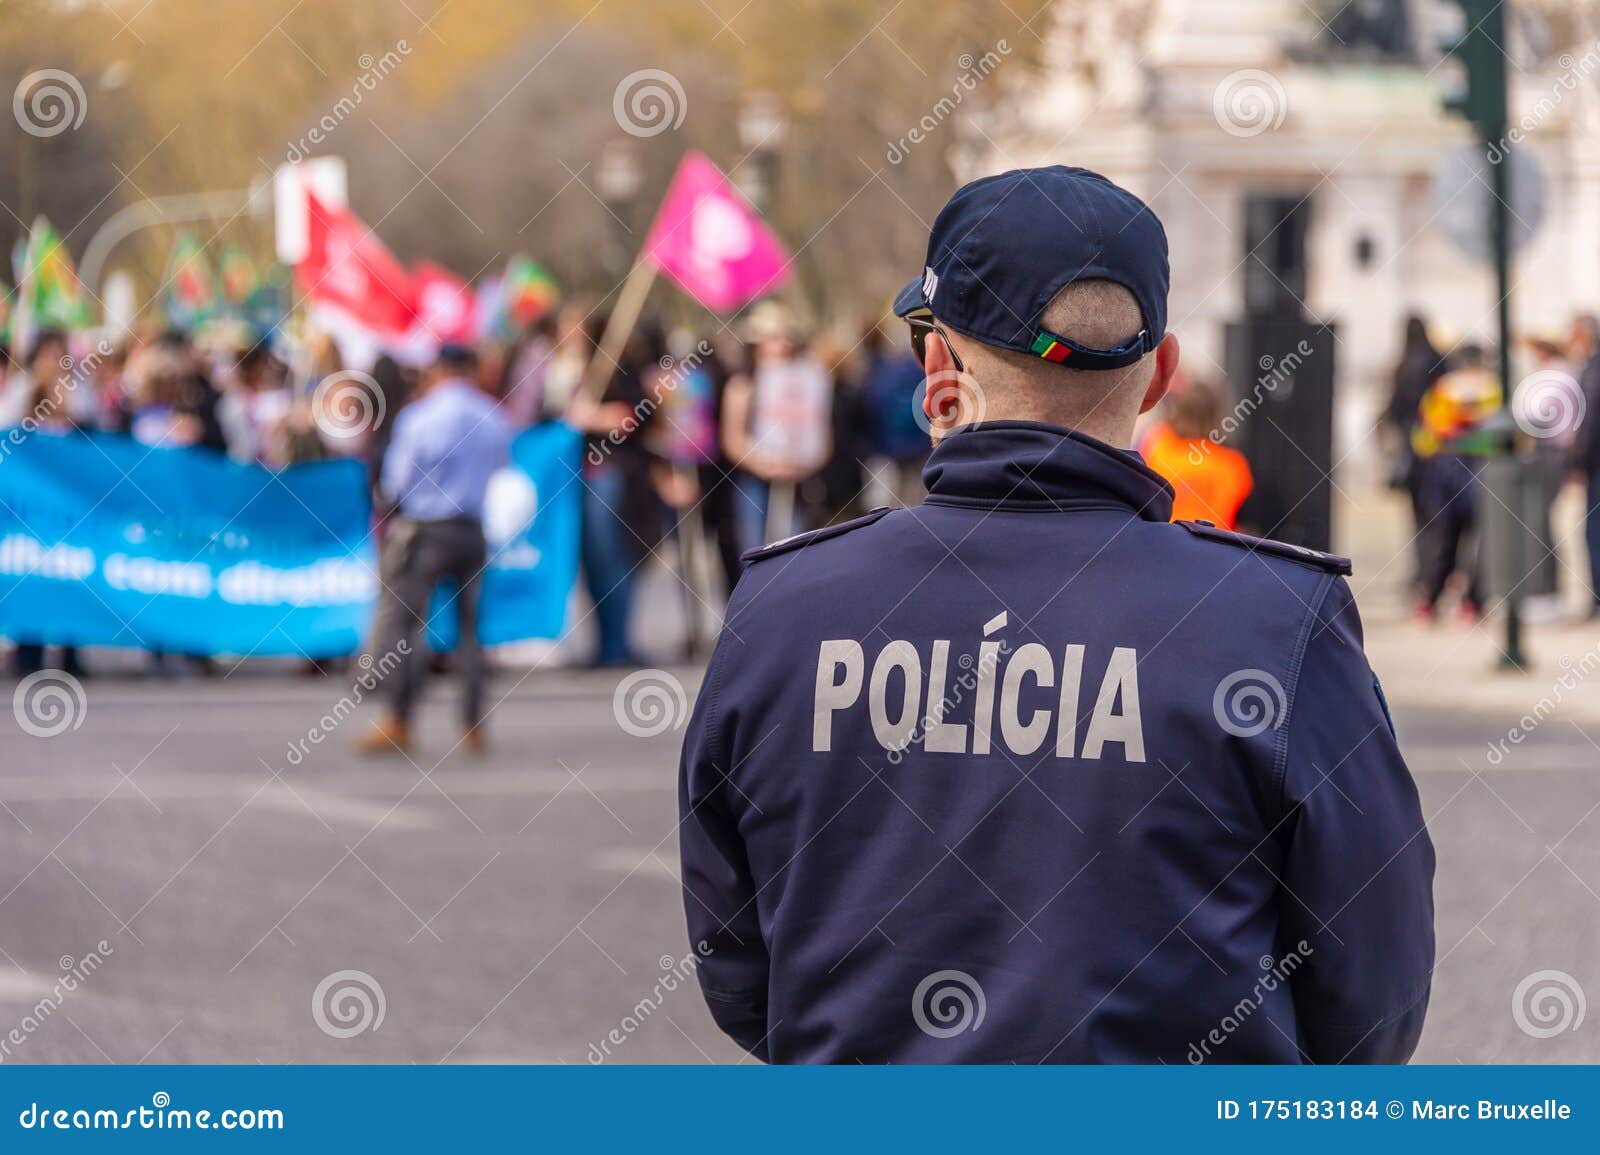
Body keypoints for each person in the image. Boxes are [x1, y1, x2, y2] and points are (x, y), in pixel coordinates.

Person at [677, 166, 1434, 1064]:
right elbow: (1374, 982)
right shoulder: (1273, 617)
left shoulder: (786, 604)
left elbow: (738, 961)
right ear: (1159, 376)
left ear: (938, 363)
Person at [354, 344, 510, 756]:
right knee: (471, 632)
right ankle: (473, 725)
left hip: (425, 530)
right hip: (470, 529)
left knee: (404, 628)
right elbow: (501, 467)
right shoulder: (491, 415)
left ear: (438, 370)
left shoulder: (419, 417)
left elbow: (395, 482)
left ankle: (399, 720)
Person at [565, 320, 662, 667]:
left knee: (612, 560)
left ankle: (616, 645)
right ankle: (604, 642)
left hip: (614, 476)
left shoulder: (623, 373)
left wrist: (590, 416)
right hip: (586, 477)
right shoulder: (587, 375)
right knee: (593, 564)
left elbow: (630, 418)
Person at [1410, 344, 1500, 624]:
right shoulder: (1493, 388)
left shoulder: (1442, 389)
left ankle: (1430, 599)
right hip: (1480, 468)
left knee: (1442, 536)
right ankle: (1473, 602)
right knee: (1480, 539)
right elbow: (1500, 433)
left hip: (1445, 468)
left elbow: (1424, 435)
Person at [1139, 381, 1254, 530]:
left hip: (1162, 540)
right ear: (1218, 413)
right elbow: (1241, 519)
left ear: (1181, 408)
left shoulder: (1156, 447)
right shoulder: (1231, 464)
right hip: (1214, 545)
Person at [1386, 315, 1446, 588]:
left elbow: (1394, 411)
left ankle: (1422, 572)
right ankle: (1433, 572)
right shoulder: (1438, 360)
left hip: (1414, 448)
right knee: (1437, 515)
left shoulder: (1404, 365)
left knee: (1418, 516)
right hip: (1437, 447)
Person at [1575, 315, 1600, 618]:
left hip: (1596, 462)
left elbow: (1590, 419)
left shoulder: (1594, 369)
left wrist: (1577, 460)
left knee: (1594, 531)